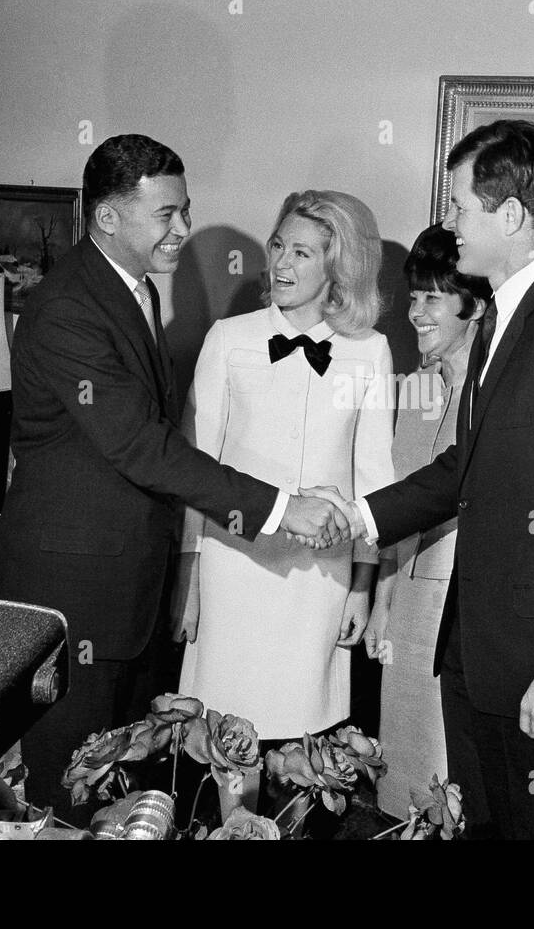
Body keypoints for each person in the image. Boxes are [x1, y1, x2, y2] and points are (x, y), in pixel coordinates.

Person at [306, 120, 534, 839]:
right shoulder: (499, 323)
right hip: (477, 659)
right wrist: (363, 516)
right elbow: (468, 465)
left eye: (461, 206)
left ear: (512, 216)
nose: (450, 222)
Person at [0, 136, 349, 820]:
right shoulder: (68, 305)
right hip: (74, 594)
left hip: (122, 589)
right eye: (166, 214)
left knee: (119, 799)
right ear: (107, 219)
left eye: (186, 210)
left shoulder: (131, 293)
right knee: (63, 793)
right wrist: (279, 507)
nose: (182, 228)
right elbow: (141, 445)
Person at [171, 189, 395, 812]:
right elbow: (196, 473)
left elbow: (373, 483)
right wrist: (187, 581)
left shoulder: (370, 352)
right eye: (278, 246)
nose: (282, 263)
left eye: (302, 251)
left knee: (302, 745)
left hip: (316, 582)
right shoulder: (228, 338)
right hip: (230, 570)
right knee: (224, 738)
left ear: (337, 266)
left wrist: (362, 584)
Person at [363, 224, 490, 820]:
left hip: (468, 619)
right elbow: (399, 506)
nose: (416, 312)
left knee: (458, 784)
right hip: (409, 615)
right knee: (404, 784)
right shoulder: (415, 388)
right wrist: (381, 604)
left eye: (432, 298)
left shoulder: (498, 395)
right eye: (413, 296)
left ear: (476, 307)